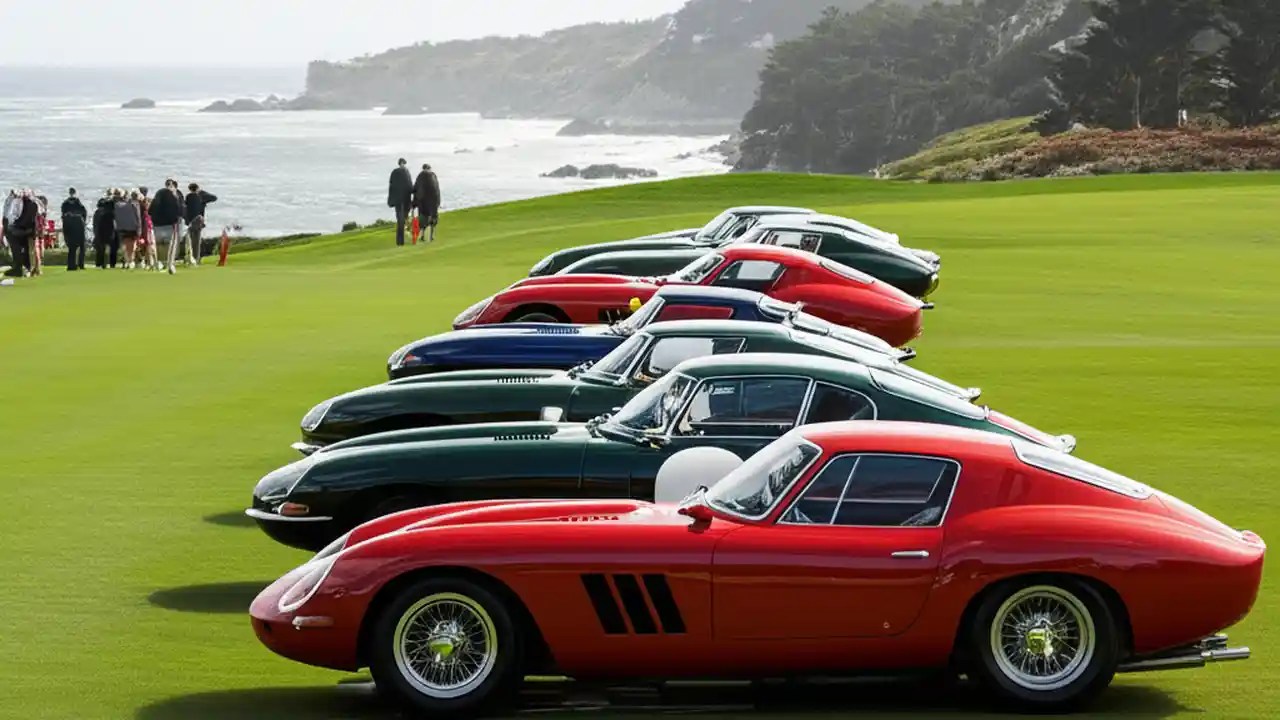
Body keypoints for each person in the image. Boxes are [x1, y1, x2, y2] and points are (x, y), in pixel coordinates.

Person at [152, 180, 185, 274]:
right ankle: (170, 264)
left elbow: (151, 210)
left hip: (157, 225)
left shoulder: (159, 194)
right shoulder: (176, 196)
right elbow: (180, 211)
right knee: (171, 246)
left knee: (158, 245)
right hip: (170, 225)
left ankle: (159, 263)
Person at [184, 182, 217, 265]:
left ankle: (191, 257)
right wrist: (203, 192)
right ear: (197, 188)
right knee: (197, 241)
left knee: (190, 240)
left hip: (190, 221)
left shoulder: (188, 197)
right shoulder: (201, 196)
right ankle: (196, 258)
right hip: (198, 220)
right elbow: (214, 198)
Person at [387, 158, 413, 246]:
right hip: (405, 199)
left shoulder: (394, 173)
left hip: (398, 200)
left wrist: (391, 200)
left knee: (400, 220)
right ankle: (402, 239)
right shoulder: (406, 172)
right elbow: (410, 186)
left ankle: (400, 241)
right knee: (403, 219)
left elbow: (391, 187)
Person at [61, 188, 88, 271]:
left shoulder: (65, 204)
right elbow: (84, 213)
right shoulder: (78, 203)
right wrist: (84, 221)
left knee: (72, 247)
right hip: (79, 226)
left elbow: (63, 215)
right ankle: (81, 264)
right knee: (82, 246)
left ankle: (71, 265)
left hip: (69, 226)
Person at [413, 163, 441, 244]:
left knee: (423, 220)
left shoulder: (420, 177)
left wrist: (414, 203)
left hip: (423, 203)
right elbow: (437, 191)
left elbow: (416, 189)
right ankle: (431, 236)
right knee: (433, 219)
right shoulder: (433, 176)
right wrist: (438, 202)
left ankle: (422, 235)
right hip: (433, 203)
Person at [115, 189, 142, 268]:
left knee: (126, 245)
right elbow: (138, 217)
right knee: (132, 245)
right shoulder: (135, 204)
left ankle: (127, 261)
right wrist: (139, 228)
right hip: (132, 227)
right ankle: (130, 261)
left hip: (122, 227)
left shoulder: (117, 205)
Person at [93, 189, 118, 268]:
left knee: (101, 248)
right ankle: (112, 263)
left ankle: (100, 263)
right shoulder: (112, 212)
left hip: (101, 230)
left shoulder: (98, 212)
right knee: (112, 247)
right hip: (110, 230)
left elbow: (96, 223)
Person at [2, 189, 25, 275]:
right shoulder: (11, 200)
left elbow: (11, 214)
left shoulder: (17, 201)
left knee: (16, 248)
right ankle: (17, 266)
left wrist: (9, 225)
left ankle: (18, 268)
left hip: (11, 224)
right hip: (8, 222)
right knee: (14, 247)